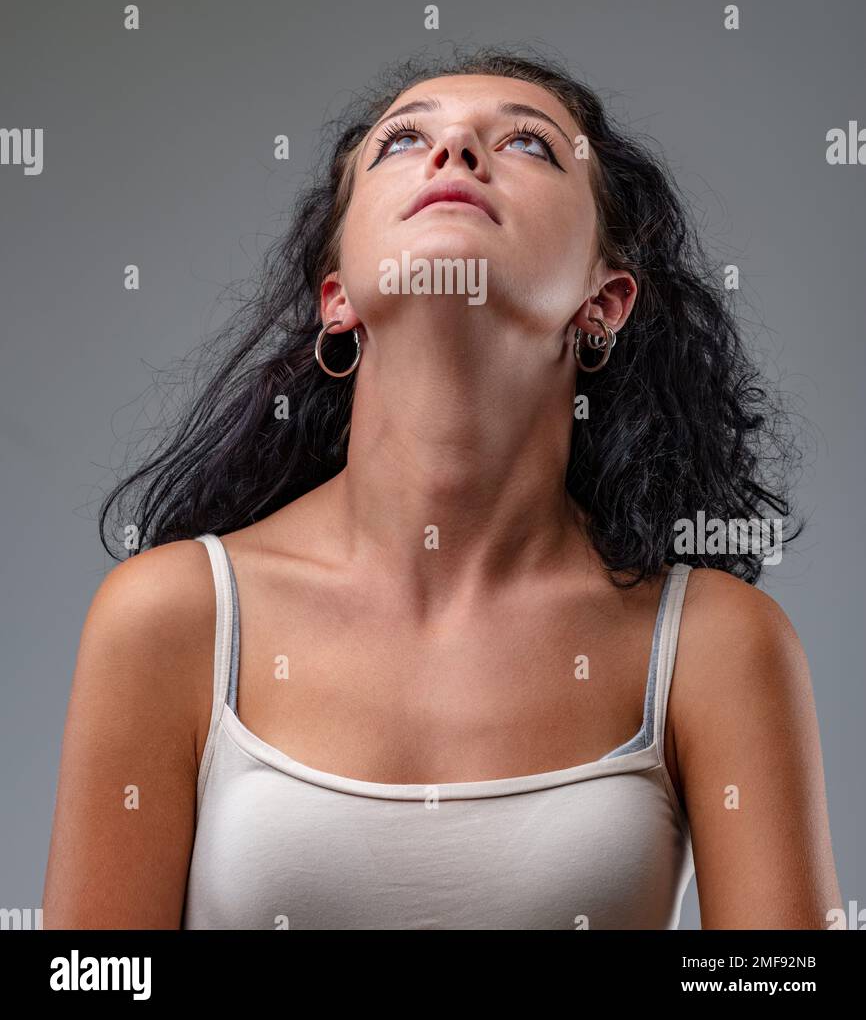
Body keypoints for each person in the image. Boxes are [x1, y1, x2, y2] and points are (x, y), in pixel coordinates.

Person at [43, 46, 842, 929]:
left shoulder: (715, 643)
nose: (454, 149)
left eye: (530, 145)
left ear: (605, 301)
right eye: (402, 142)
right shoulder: (171, 616)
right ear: (336, 297)